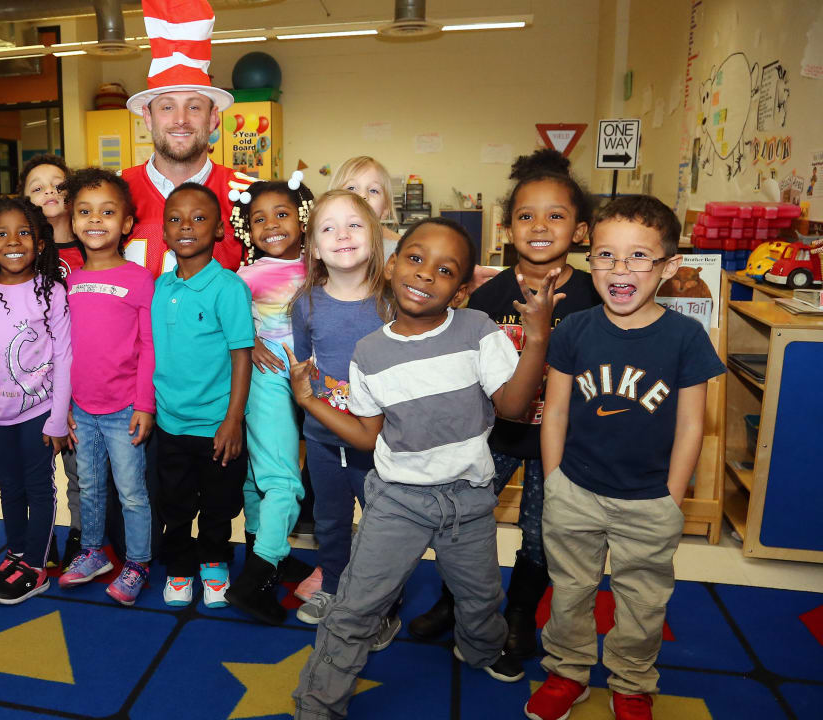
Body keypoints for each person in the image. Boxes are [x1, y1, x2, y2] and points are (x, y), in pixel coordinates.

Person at [290, 218, 562, 718]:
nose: (424, 274)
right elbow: (368, 434)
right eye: (415, 258)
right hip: (397, 501)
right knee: (357, 606)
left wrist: (538, 340)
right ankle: (317, 702)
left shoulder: (477, 331)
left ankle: (479, 650)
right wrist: (311, 402)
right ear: (391, 265)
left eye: (444, 269)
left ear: (460, 292)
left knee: (479, 597)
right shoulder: (368, 352)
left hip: (469, 500)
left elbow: (515, 408)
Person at [524, 196, 724, 720]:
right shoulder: (575, 330)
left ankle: (632, 680)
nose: (620, 269)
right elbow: (557, 412)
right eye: (607, 255)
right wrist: (555, 481)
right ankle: (567, 670)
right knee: (570, 591)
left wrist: (672, 498)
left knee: (642, 600)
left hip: (650, 499)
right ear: (590, 259)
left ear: (670, 266)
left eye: (639, 257)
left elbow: (691, 424)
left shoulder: (685, 337)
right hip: (576, 491)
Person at [409, 148, 601, 656]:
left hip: (560, 444)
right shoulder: (488, 296)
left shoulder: (592, 298)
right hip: (489, 435)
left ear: (580, 231)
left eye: (556, 215)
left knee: (541, 536)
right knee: (463, 523)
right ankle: (457, 602)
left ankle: (518, 613)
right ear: (508, 228)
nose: (540, 225)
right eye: (525, 215)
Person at [288, 191, 399, 651]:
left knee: (382, 525)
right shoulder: (306, 304)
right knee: (330, 522)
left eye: (353, 225)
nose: (342, 235)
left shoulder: (391, 302)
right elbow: (303, 365)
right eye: (328, 228)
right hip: (322, 438)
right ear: (313, 247)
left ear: (373, 237)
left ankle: (383, 603)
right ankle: (332, 584)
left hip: (382, 445)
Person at [0, 196, 73, 605]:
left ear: (40, 243)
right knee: (9, 488)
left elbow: (64, 357)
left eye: (24, 232)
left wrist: (58, 420)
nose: (13, 241)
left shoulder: (51, 292)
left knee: (38, 489)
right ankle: (19, 553)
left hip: (37, 414)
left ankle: (36, 568)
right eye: (1, 233)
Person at [55, 168, 156, 606]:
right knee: (91, 487)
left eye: (108, 212)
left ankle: (137, 562)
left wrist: (144, 404)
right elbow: (63, 351)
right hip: (82, 410)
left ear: (127, 223)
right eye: (85, 212)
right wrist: (66, 408)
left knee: (132, 492)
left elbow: (149, 346)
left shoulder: (139, 279)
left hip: (124, 410)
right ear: (73, 220)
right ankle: (93, 552)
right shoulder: (69, 283)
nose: (95, 220)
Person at [152, 182, 254, 608]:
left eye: (198, 218)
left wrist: (233, 420)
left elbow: (241, 355)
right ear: (163, 232)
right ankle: (179, 565)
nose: (186, 226)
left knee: (219, 504)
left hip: (217, 425)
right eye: (175, 219)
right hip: (169, 423)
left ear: (218, 231)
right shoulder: (159, 287)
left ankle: (214, 560)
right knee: (174, 504)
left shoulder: (228, 287)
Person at [223, 173, 315, 624]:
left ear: (302, 217)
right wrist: (250, 340)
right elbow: (231, 325)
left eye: (282, 214)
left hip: (311, 378)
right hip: (266, 375)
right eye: (259, 219)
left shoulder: (322, 268)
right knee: (279, 477)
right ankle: (257, 574)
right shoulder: (246, 276)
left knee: (265, 471)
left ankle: (268, 555)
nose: (272, 225)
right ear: (247, 229)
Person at [122, 0, 243, 276]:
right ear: (148, 117)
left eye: (193, 106)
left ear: (213, 118)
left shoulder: (247, 197)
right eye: (167, 107)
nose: (180, 119)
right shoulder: (112, 194)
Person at [19, 153, 85, 569]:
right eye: (37, 186)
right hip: (36, 385)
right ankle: (41, 538)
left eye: (58, 184)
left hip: (84, 382)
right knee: (35, 473)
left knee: (83, 474)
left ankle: (82, 535)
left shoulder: (93, 242)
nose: (50, 192)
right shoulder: (22, 253)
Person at [329, 156, 400, 258]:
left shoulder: (396, 252)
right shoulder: (326, 244)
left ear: (385, 210)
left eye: (373, 190)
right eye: (351, 188)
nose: (362, 196)